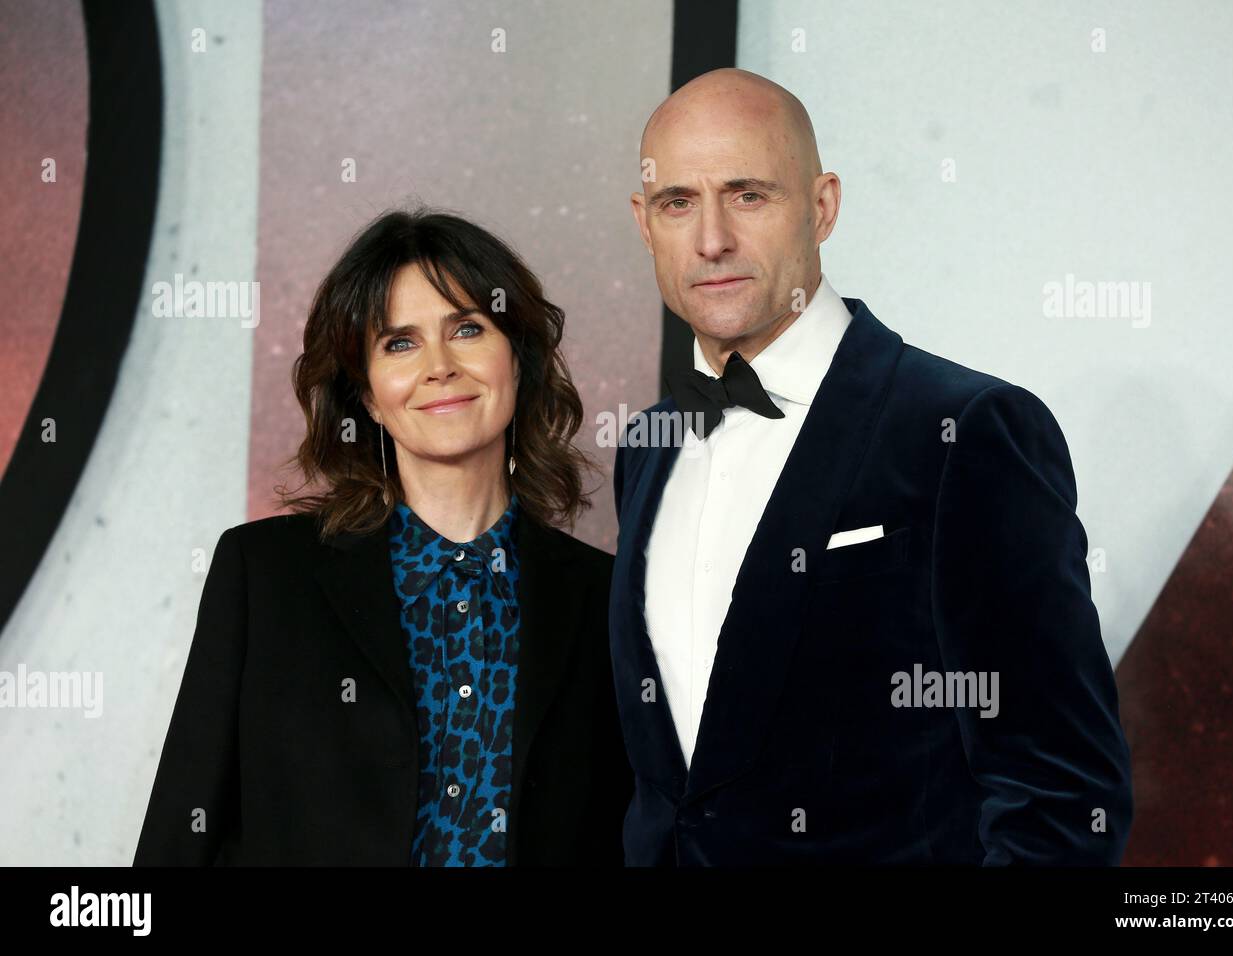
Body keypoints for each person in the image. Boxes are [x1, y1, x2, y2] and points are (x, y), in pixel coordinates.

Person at [612, 68, 1133, 865]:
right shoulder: (647, 448)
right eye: (678, 202)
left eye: (748, 194)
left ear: (823, 208)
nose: (711, 239)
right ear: (646, 225)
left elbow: (1060, 792)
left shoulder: (964, 430)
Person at [135, 207, 632, 866]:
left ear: (518, 358)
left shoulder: (604, 600)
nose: (439, 367)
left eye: (467, 329)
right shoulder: (265, 576)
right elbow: (182, 834)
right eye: (399, 343)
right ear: (366, 393)